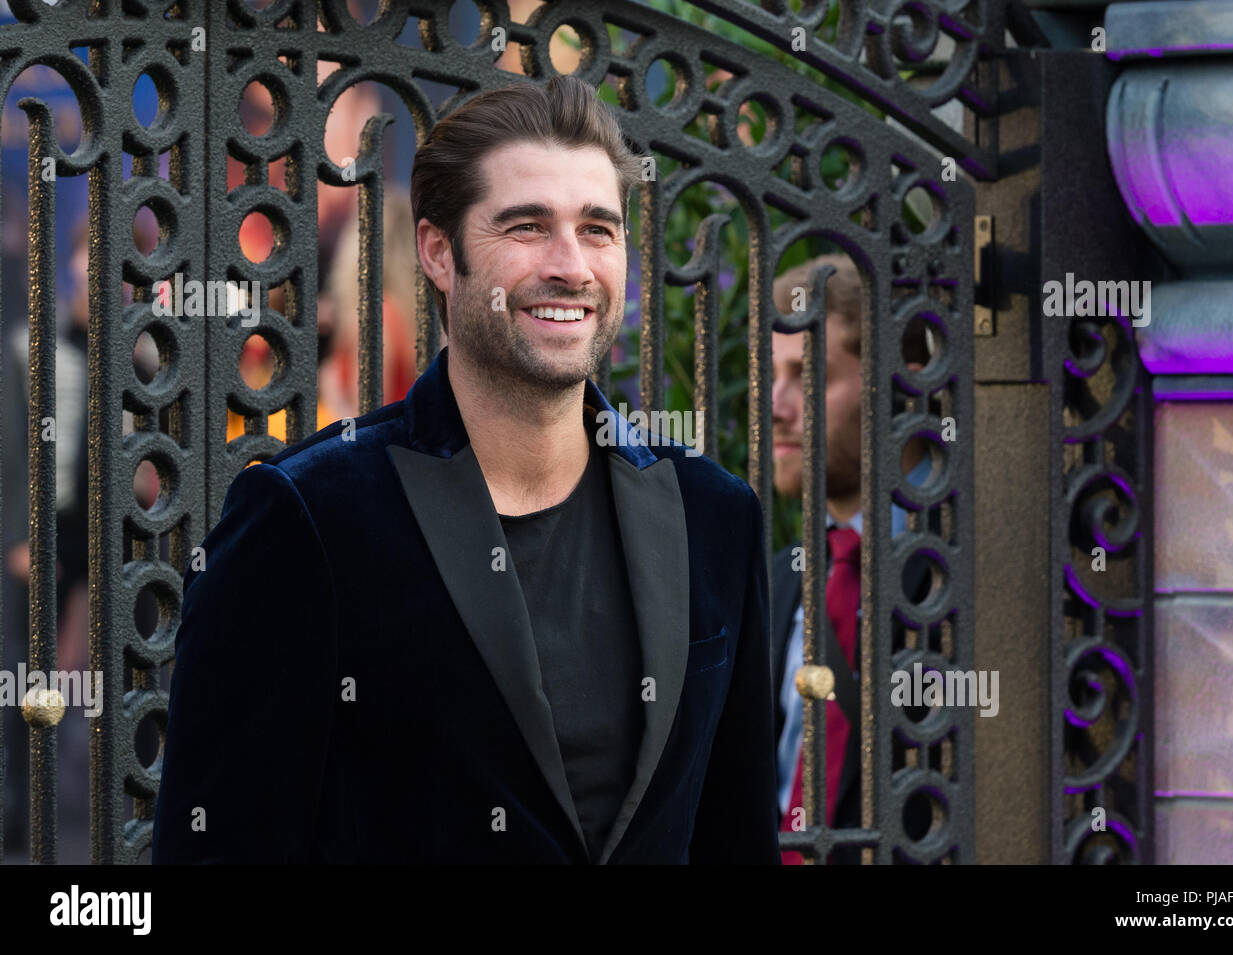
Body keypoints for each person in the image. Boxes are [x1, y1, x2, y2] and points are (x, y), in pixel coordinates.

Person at [153, 75, 779, 864]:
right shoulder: (307, 516)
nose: (571, 265)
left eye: (597, 228)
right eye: (526, 226)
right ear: (440, 253)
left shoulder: (714, 516)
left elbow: (736, 839)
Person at [769, 253, 932, 864]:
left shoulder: (969, 575)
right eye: (772, 377)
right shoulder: (775, 578)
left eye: (806, 377)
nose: (777, 407)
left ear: (905, 385)